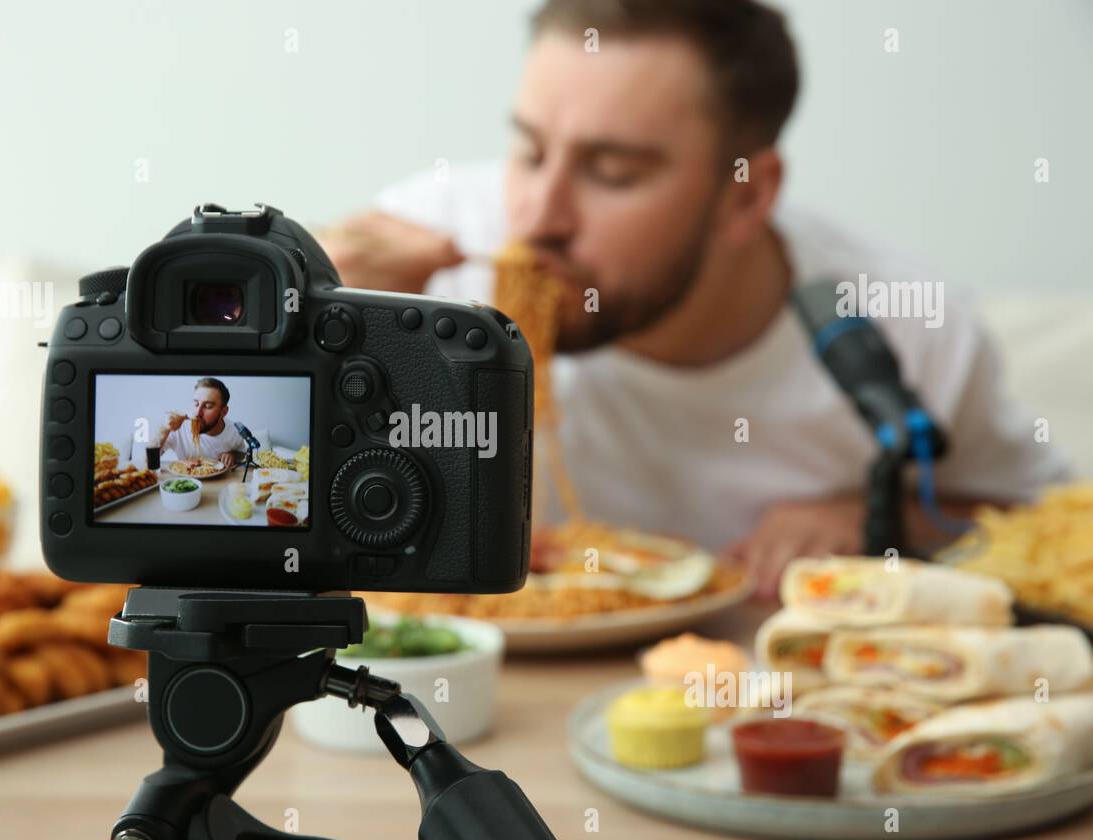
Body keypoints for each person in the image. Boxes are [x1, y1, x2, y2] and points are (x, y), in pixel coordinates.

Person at [320, 0, 1069, 598]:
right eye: (530, 150)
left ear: (747, 194)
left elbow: (1049, 529)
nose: (539, 217)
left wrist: (886, 516)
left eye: (611, 172)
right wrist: (315, 331)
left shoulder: (905, 328)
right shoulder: (424, 265)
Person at [155, 377, 247, 469]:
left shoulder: (235, 432)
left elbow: (244, 455)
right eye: (196, 404)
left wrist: (234, 454)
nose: (198, 413)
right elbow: (148, 462)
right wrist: (163, 429)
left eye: (208, 406)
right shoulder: (179, 426)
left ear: (224, 412)